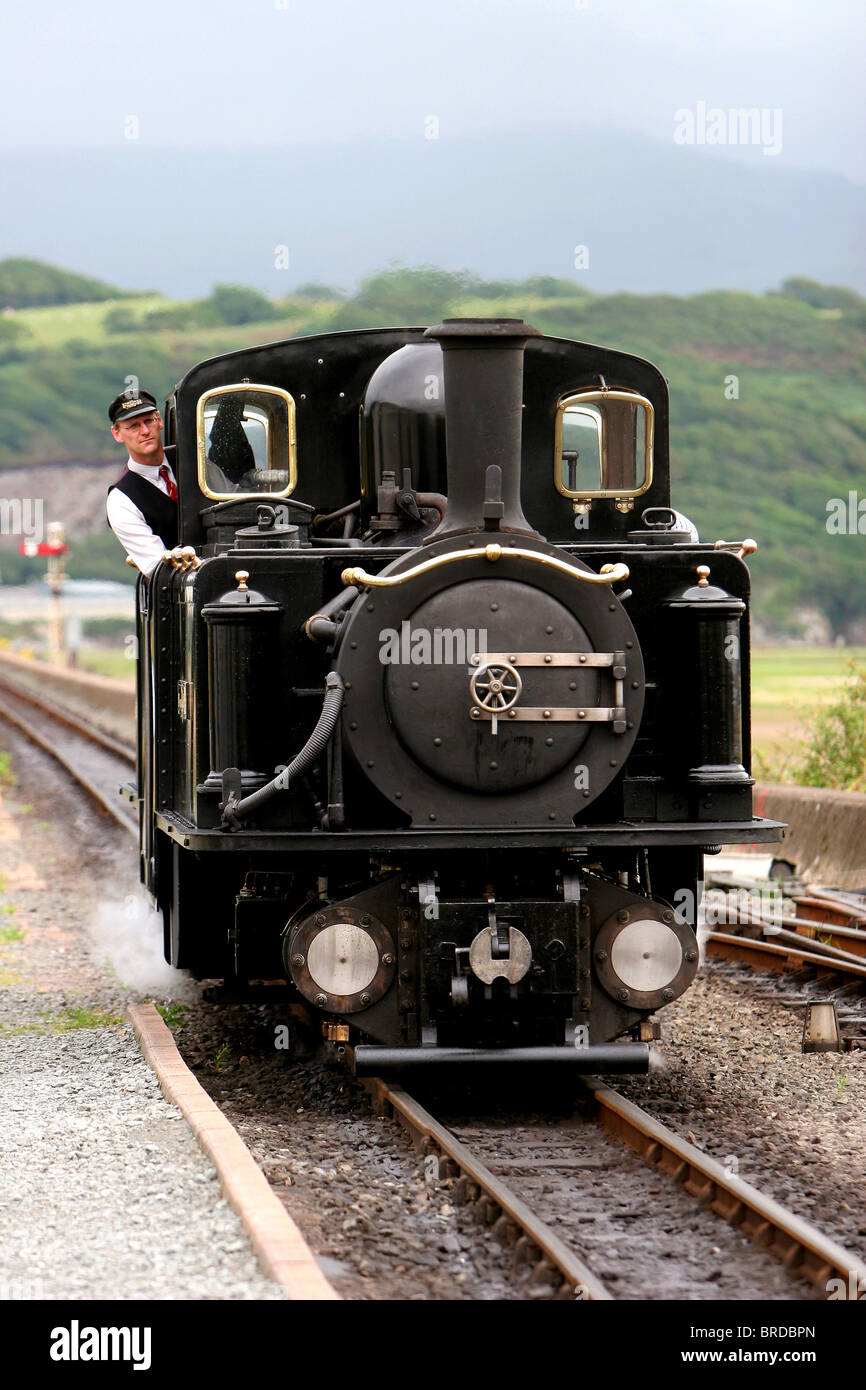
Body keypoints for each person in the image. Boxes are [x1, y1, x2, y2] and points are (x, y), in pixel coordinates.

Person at [106, 389, 178, 576]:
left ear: (159, 420)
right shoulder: (120, 501)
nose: (145, 431)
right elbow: (158, 568)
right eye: (133, 426)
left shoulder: (196, 462)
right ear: (117, 433)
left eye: (148, 421)